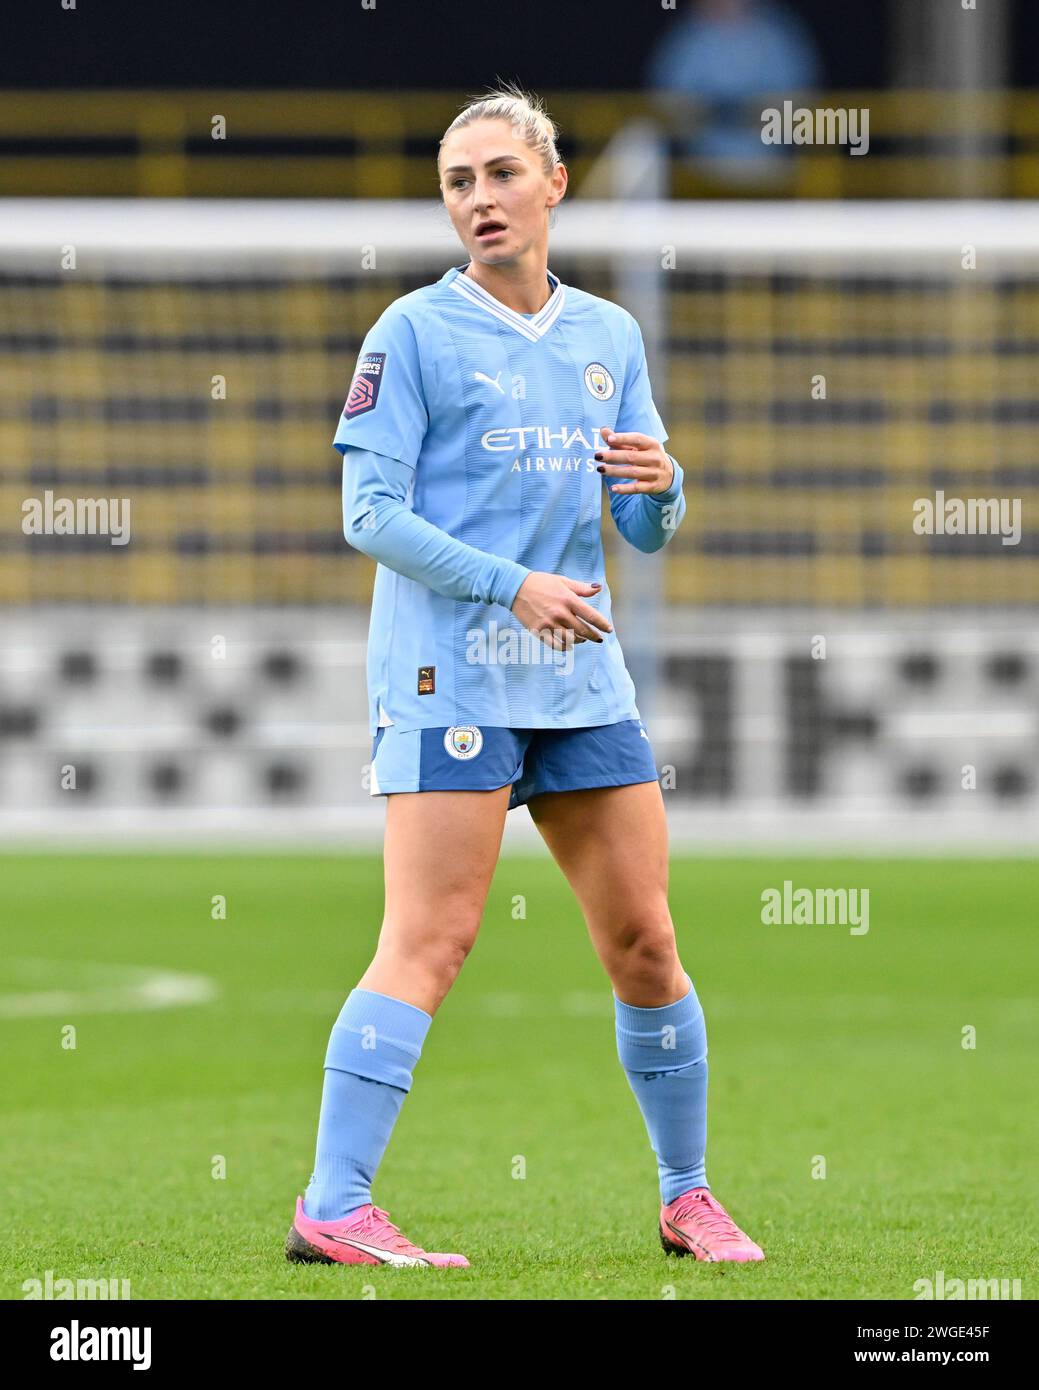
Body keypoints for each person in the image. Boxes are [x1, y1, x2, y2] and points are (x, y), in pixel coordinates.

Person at [284, 82, 764, 1270]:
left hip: (580, 682)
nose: (479, 199)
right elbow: (368, 513)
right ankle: (333, 1203)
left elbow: (641, 529)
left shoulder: (609, 335)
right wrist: (511, 586)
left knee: (645, 940)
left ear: (553, 183)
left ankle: (686, 1194)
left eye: (501, 174)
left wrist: (662, 490)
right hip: (453, 674)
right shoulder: (411, 332)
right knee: (431, 939)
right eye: (458, 181)